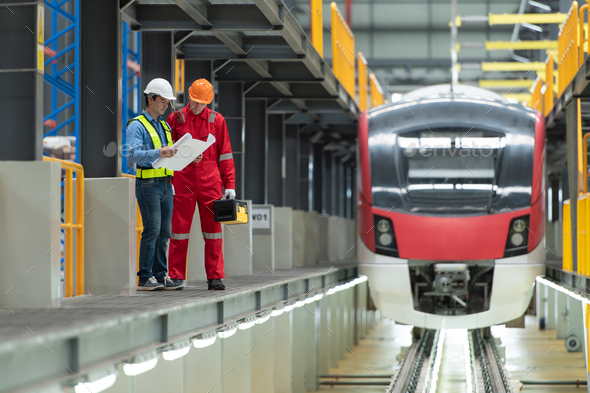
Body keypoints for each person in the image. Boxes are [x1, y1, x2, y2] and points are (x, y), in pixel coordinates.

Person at [167, 78, 235, 290]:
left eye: (201, 103)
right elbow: (167, 150)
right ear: (188, 96)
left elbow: (225, 155)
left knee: (213, 232)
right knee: (179, 231)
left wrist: (230, 184)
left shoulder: (217, 120)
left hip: (210, 182)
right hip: (182, 180)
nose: (196, 106)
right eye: (194, 101)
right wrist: (169, 179)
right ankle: (176, 276)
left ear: (208, 102)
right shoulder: (175, 119)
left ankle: (215, 277)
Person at [126, 78, 184, 291]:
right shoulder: (136, 125)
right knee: (152, 230)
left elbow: (168, 155)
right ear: (150, 99)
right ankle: (144, 277)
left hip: (166, 185)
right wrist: (158, 152)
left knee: (165, 232)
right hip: (148, 184)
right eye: (162, 101)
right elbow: (132, 155)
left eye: (168, 102)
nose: (166, 105)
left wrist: (186, 156)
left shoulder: (164, 126)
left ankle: (161, 275)